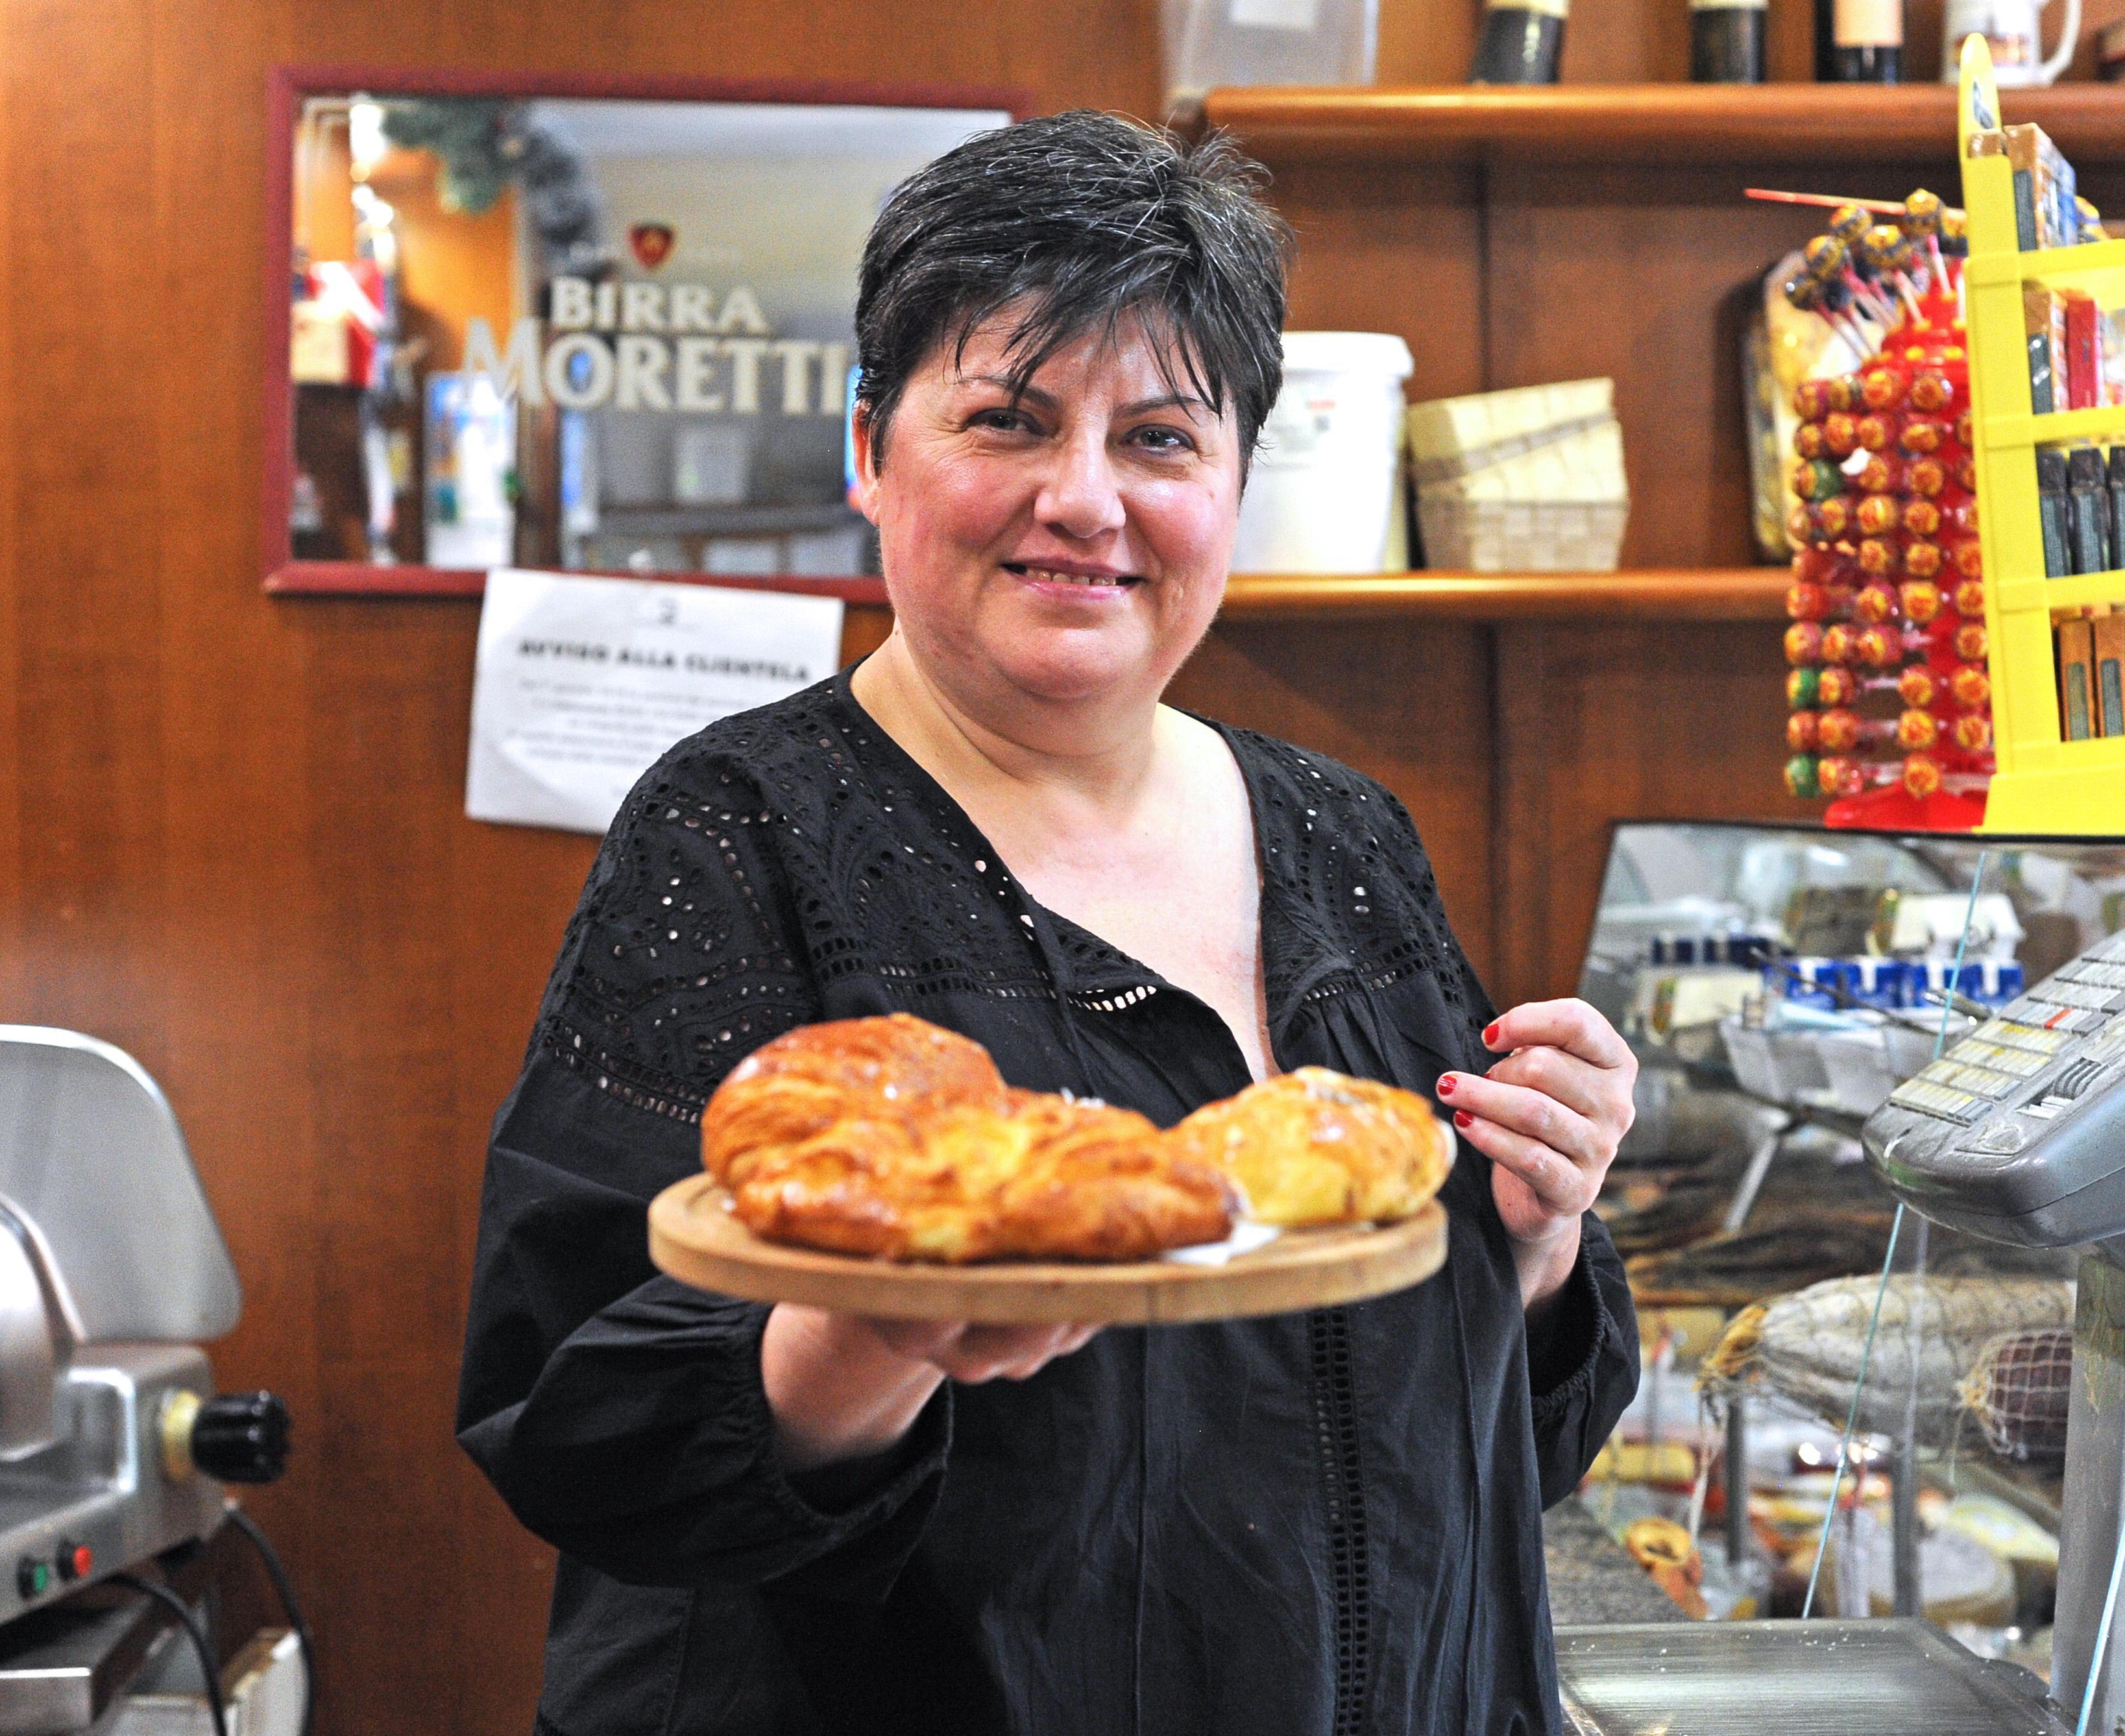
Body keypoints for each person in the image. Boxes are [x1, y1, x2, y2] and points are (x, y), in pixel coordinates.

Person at [457, 110, 1640, 1736]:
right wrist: (860, 1341)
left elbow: (1485, 1438)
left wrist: (1531, 1227)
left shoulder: (1341, 830)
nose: (1084, 500)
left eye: (1162, 439)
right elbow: (581, 1429)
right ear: (871, 447)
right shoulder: (745, 833)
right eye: (1008, 420)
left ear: (1234, 480)